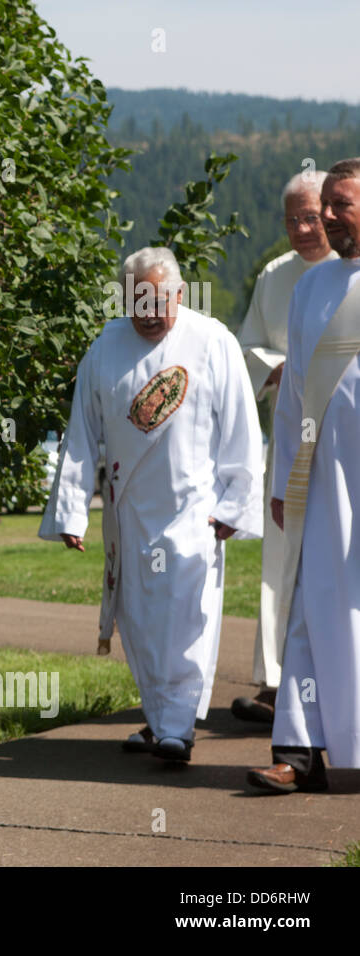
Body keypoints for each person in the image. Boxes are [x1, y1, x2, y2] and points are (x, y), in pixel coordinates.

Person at [40, 247, 263, 763]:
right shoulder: (104, 348)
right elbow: (81, 435)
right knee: (139, 622)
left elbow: (241, 431)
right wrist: (72, 510)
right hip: (129, 515)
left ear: (180, 295)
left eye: (158, 300)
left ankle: (176, 730)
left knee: (186, 617)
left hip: (194, 510)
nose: (148, 311)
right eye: (137, 300)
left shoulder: (212, 342)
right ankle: (161, 718)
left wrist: (235, 504)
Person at [247, 158, 360, 794]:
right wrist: (282, 481)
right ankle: (298, 752)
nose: (329, 218)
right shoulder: (309, 291)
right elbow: (293, 402)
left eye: (342, 205)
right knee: (309, 611)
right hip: (320, 483)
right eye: (327, 207)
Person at [232, 170, 337, 724]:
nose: (301, 228)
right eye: (292, 219)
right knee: (282, 558)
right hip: (291, 440)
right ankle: (277, 681)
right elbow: (247, 346)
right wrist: (278, 368)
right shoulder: (276, 277)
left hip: (347, 443)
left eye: (311, 217)